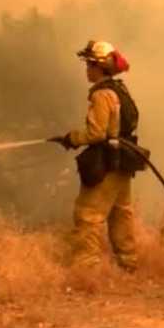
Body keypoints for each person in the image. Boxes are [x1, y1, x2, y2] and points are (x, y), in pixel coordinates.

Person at [54, 40, 140, 272]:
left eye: (89, 65)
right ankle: (128, 262)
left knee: (88, 214)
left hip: (107, 164)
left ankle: (86, 268)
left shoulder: (102, 94)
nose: (87, 70)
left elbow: (96, 133)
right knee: (121, 213)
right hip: (123, 162)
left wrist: (71, 138)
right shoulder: (119, 90)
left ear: (99, 67)